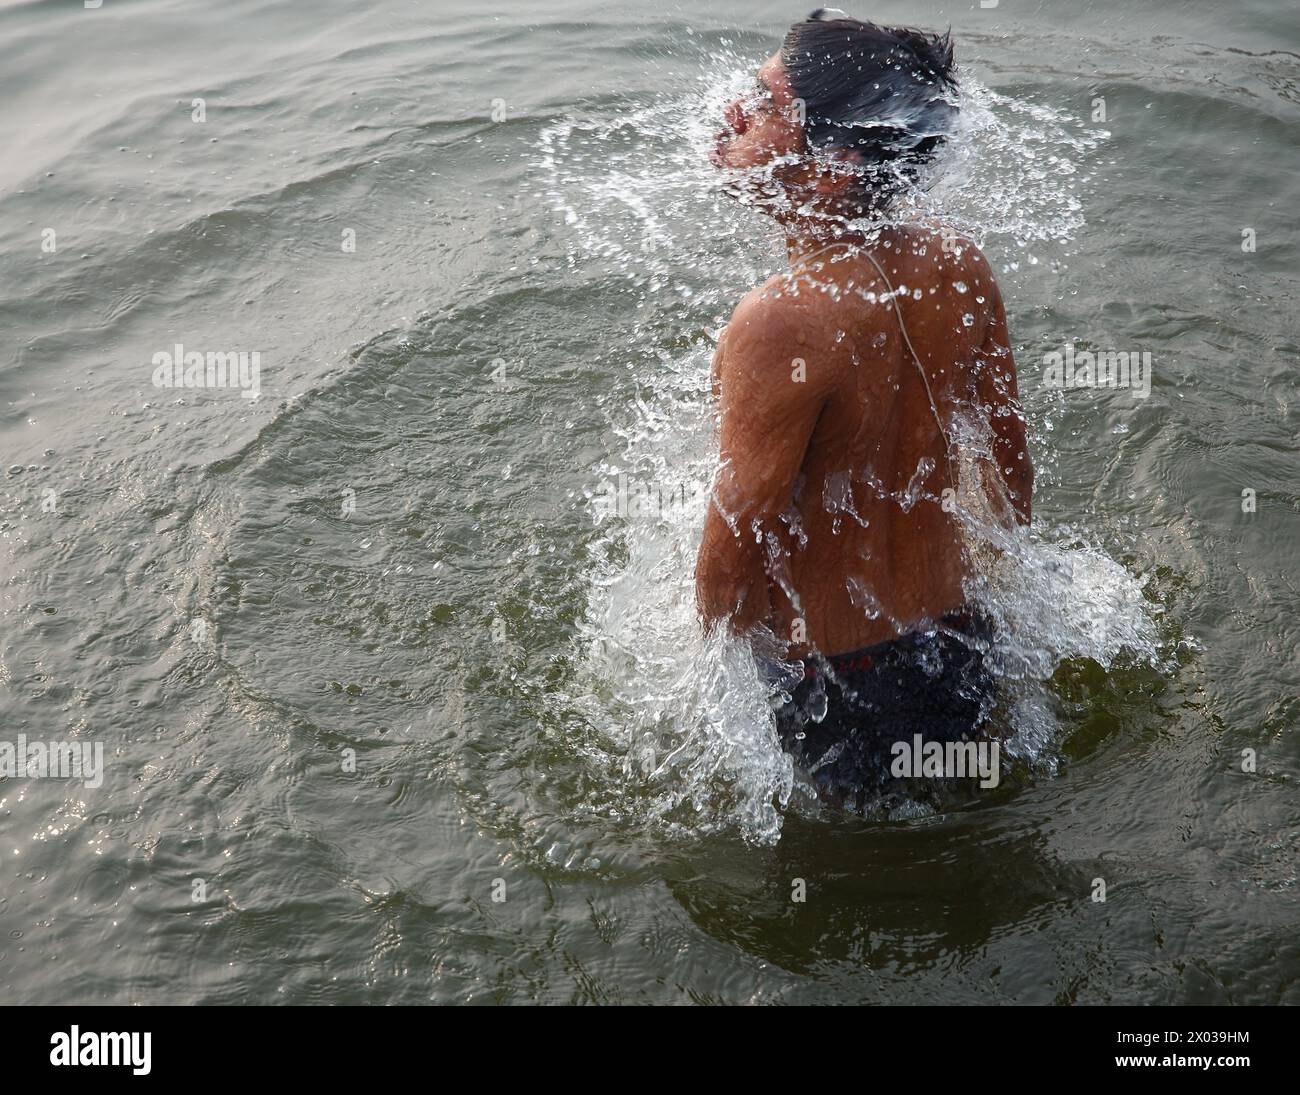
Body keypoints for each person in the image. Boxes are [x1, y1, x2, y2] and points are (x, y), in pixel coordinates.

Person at [694, 9, 1033, 808]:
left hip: (830, 687)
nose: (733, 113)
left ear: (835, 165)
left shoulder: (781, 319)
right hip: (962, 647)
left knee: (842, 889)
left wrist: (698, 695)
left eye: (768, 104)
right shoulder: (957, 264)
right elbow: (1009, 463)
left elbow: (734, 538)